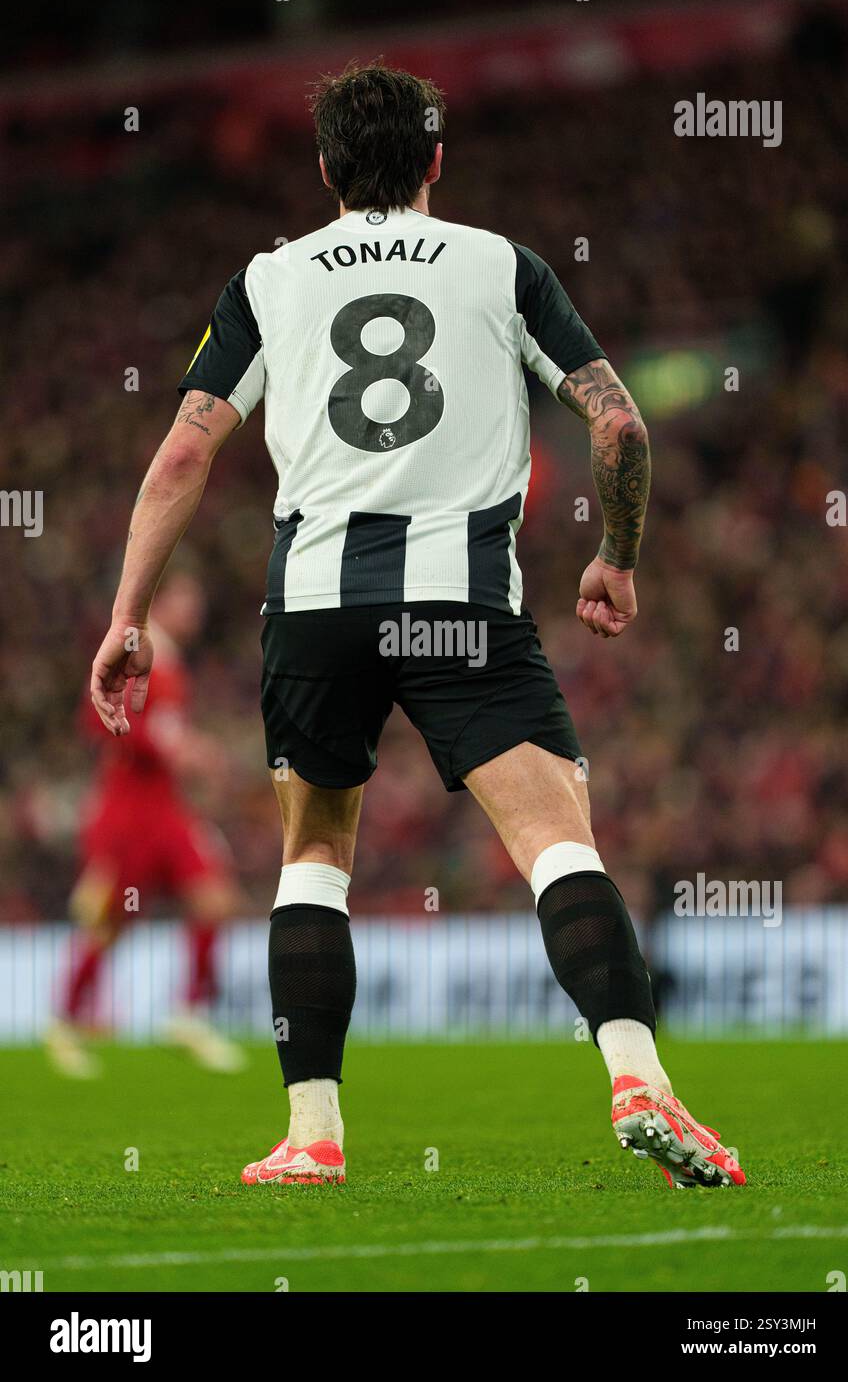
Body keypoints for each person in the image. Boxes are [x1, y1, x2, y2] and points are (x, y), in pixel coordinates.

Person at [89, 63, 744, 1190]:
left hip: (314, 608)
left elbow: (187, 453)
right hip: (460, 606)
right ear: (436, 159)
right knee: (558, 844)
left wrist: (126, 616)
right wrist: (615, 561)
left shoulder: (268, 278)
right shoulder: (503, 266)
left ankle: (312, 1134)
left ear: (324, 169)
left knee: (311, 859)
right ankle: (637, 1078)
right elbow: (620, 427)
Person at [49, 571, 245, 1078]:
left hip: (168, 809)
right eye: (188, 598)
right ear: (162, 601)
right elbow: (97, 720)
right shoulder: (133, 651)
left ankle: (188, 1015)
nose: (196, 611)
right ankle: (66, 1023)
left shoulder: (175, 664)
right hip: (128, 811)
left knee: (215, 899)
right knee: (111, 923)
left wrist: (190, 752)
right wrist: (173, 748)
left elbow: (168, 734)